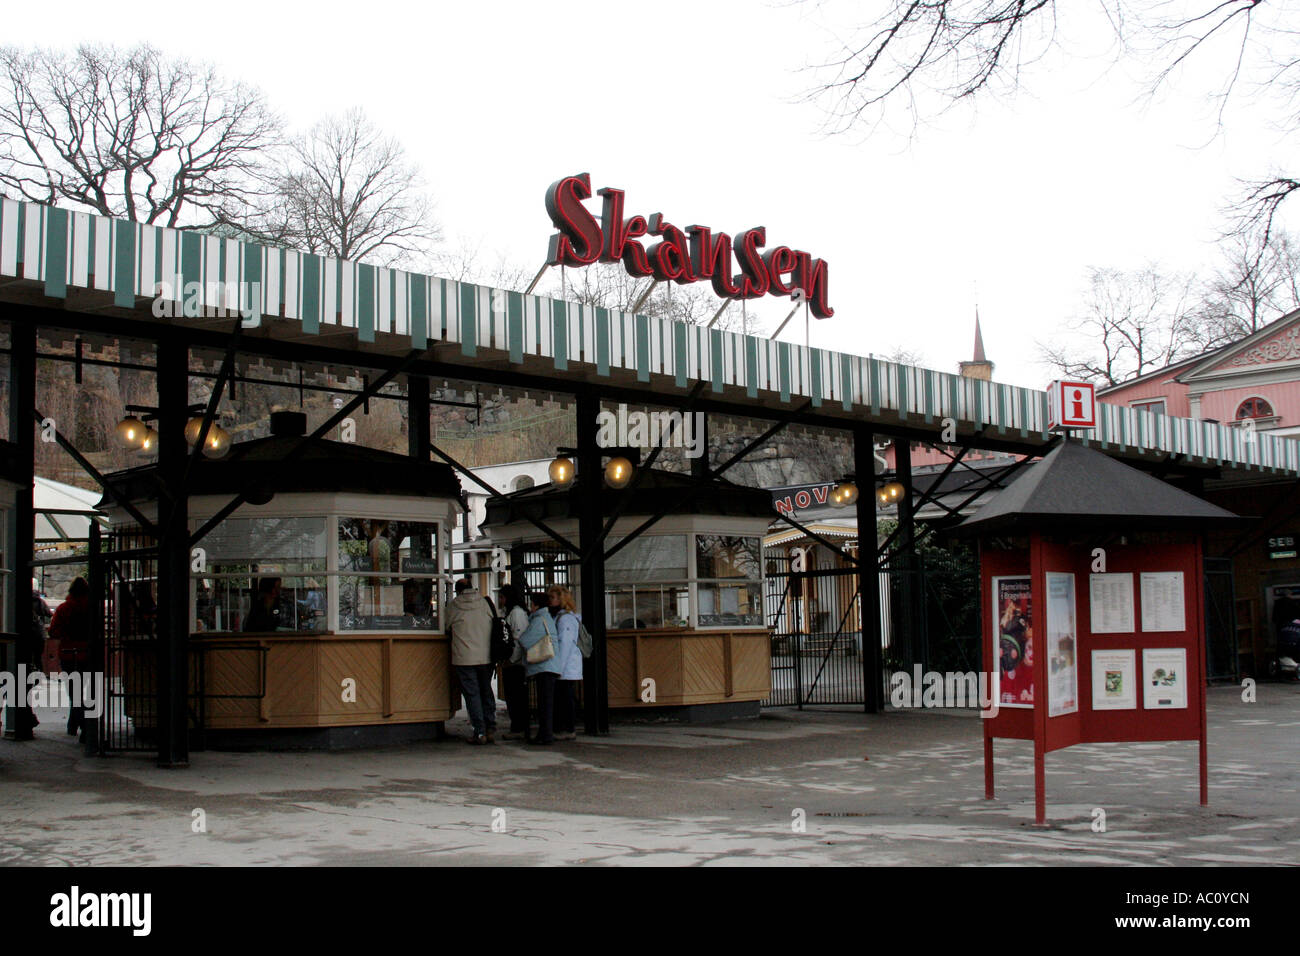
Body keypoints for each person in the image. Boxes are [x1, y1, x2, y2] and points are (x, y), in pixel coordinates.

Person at [446, 577, 497, 744]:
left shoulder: (453, 606)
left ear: (458, 590)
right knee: (486, 691)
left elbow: (445, 626)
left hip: (464, 658)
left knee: (472, 695)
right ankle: (490, 728)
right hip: (485, 656)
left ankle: (479, 732)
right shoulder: (484, 603)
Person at [49, 577, 91, 739]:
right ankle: (73, 726)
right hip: (87, 653)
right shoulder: (91, 608)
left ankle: (83, 727)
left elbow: (53, 632)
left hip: (68, 653)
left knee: (74, 693)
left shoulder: (63, 608)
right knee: (83, 692)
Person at [516, 591, 560, 745]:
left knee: (544, 704)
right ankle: (544, 734)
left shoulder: (538, 620)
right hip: (550, 665)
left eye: (532, 604)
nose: (530, 607)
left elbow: (525, 640)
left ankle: (545, 735)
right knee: (545, 703)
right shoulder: (547, 618)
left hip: (545, 666)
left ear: (536, 605)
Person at [547, 585, 583, 741]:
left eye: (552, 598)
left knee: (564, 698)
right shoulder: (566, 617)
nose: (550, 601)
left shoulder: (565, 619)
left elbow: (565, 644)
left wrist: (558, 668)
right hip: (567, 666)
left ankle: (567, 728)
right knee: (565, 698)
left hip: (565, 667)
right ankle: (566, 727)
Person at [498, 585, 530, 741]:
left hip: (516, 664)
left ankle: (518, 727)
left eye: (502, 597)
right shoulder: (511, 612)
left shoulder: (516, 613)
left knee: (516, 696)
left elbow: (518, 639)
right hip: (513, 662)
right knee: (513, 696)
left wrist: (511, 660)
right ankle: (517, 726)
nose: (500, 600)